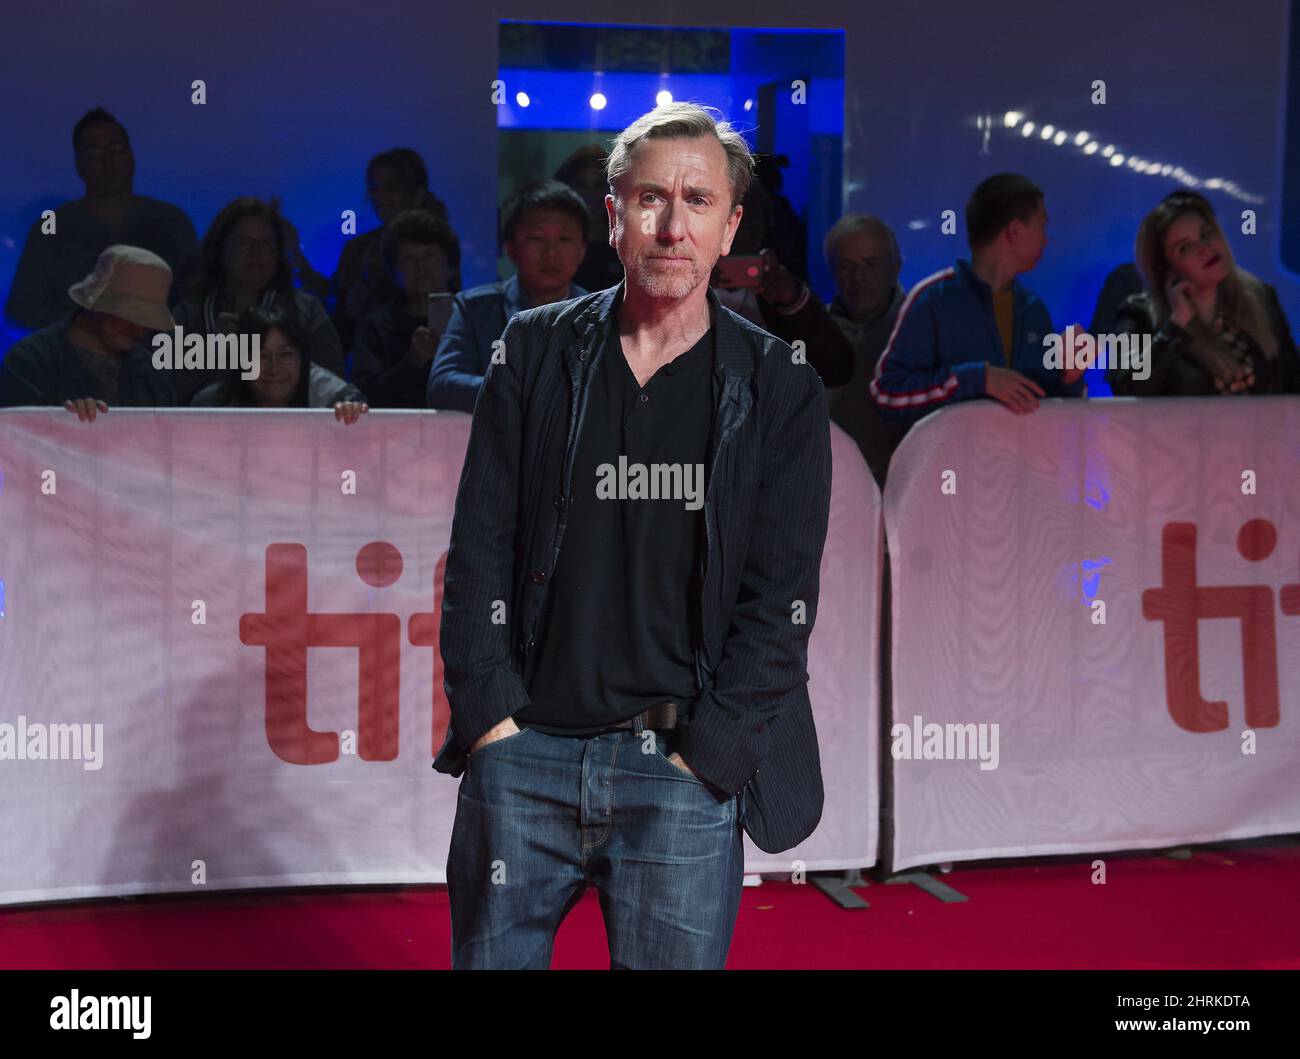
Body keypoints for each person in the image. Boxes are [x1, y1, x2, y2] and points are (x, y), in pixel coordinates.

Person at [435, 101, 832, 969]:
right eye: (650, 198)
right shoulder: (531, 351)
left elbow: (782, 602)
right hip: (524, 756)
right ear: (613, 216)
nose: (672, 224)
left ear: (729, 227)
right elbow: (477, 553)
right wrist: (491, 725)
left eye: (697, 201)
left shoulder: (779, 386)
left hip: (681, 771)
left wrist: (712, 758)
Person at [871, 173, 1086, 419]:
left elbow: (1048, 405)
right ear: (1014, 230)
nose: (1047, 239)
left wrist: (1070, 375)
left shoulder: (1033, 308)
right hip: (951, 458)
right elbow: (886, 394)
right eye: (1042, 225)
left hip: (1024, 458)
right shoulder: (933, 300)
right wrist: (975, 379)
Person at [5, 108, 198, 332]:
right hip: (75, 360)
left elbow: (198, 295)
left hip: (159, 358)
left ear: (131, 155)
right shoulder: (52, 230)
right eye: (95, 153)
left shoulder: (171, 222)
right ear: (79, 163)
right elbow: (23, 309)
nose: (108, 160)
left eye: (116, 149)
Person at [1108, 194, 1300, 396]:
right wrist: (1175, 325)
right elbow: (1125, 387)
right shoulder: (1138, 314)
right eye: (1185, 248)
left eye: (1206, 234)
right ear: (1167, 271)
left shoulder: (1260, 296)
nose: (1204, 248)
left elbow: (1293, 382)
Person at [427, 180, 587, 412]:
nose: (551, 253)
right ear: (511, 248)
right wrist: (521, 392)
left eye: (564, 239)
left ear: (582, 250)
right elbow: (442, 386)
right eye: (536, 239)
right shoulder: (475, 308)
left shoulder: (603, 315)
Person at [171, 198, 345, 405]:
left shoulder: (305, 310)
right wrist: (209, 354)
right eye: (244, 242)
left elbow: (334, 388)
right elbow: (166, 391)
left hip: (293, 430)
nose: (256, 251)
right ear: (220, 250)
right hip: (206, 431)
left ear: (279, 252)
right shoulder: (188, 314)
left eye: (266, 243)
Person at [0, 244, 176, 417]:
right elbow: (16, 438)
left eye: (147, 320)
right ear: (96, 306)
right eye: (131, 317)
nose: (139, 329)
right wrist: (63, 421)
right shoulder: (29, 363)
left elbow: (167, 440)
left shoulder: (151, 375)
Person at [708, 179, 853, 388]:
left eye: (745, 219)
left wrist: (794, 303)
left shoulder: (775, 289)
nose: (735, 230)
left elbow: (836, 370)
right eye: (725, 219)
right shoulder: (674, 287)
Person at [332, 148, 453, 350]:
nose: (381, 197)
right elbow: (339, 310)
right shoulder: (357, 248)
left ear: (415, 192)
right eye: (374, 189)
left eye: (391, 188)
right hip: (366, 359)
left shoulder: (439, 244)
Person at [823, 214, 912, 485]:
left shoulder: (922, 331)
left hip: (907, 492)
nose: (858, 277)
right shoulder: (814, 334)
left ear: (896, 267)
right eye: (846, 266)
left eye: (871, 264)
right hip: (836, 498)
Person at [350, 210, 460, 408]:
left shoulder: (472, 320)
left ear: (450, 266)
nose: (420, 266)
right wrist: (413, 361)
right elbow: (364, 399)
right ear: (393, 271)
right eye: (408, 259)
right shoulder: (374, 329)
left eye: (429, 256)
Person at [190, 305, 367, 421]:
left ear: (303, 359)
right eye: (261, 356)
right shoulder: (210, 407)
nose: (274, 368)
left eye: (286, 354)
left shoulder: (332, 398)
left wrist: (351, 413)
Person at [555, 145, 624, 293]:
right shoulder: (555, 241)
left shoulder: (624, 239)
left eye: (598, 185)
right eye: (582, 185)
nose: (591, 194)